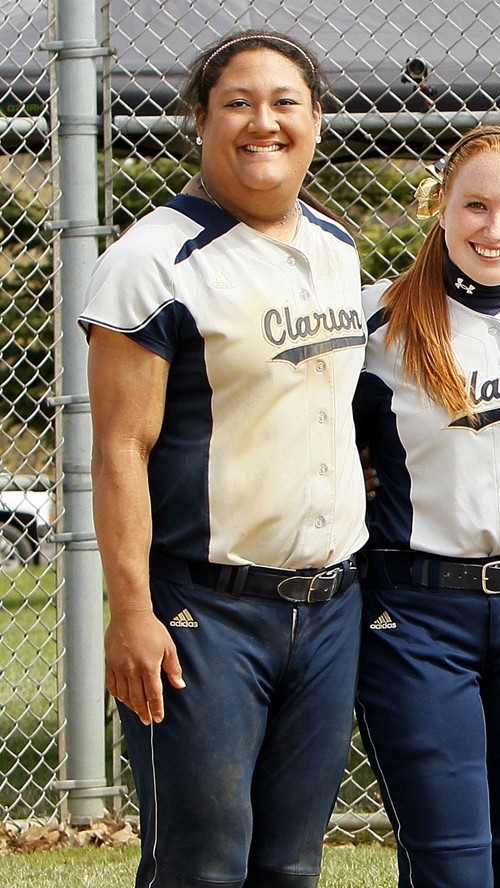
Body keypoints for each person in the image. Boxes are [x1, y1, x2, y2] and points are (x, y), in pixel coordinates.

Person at [82, 31, 366, 887]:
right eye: (238, 103)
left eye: (285, 103)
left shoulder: (335, 244)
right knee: (201, 865)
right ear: (199, 120)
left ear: (316, 119)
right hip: (205, 607)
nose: (262, 122)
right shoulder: (150, 261)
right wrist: (133, 609)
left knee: (291, 865)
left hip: (329, 606)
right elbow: (119, 447)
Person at [352, 125, 500, 887]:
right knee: (454, 868)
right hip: (419, 614)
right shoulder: (376, 320)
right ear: (441, 205)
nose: (494, 229)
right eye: (476, 206)